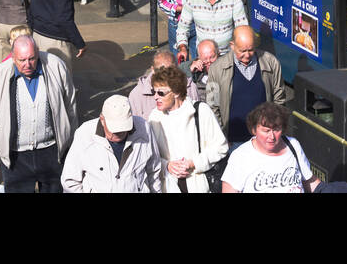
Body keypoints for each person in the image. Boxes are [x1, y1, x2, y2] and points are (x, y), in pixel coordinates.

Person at [0, 34, 77, 193]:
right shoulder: (0, 75)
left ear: (38, 52)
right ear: (13, 57)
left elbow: (70, 108)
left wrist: (73, 146)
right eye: (22, 60)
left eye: (32, 58)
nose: (27, 64)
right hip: (16, 157)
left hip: (51, 152)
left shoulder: (56, 66)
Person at [146, 64, 228, 193]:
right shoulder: (154, 117)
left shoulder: (200, 111)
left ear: (177, 93)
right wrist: (166, 165)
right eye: (153, 91)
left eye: (161, 92)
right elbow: (149, 156)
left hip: (199, 186)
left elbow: (221, 148)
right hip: (169, 187)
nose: (155, 96)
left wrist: (194, 163)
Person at [207, 24, 292, 146]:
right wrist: (221, 137)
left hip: (264, 140)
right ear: (232, 46)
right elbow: (212, 106)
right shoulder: (216, 69)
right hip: (232, 140)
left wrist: (274, 131)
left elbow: (279, 99)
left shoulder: (271, 63)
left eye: (251, 50)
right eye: (242, 51)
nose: (247, 55)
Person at [61, 94, 162, 193]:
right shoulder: (84, 134)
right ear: (102, 120)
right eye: (115, 130)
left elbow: (154, 171)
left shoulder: (144, 128)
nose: (119, 134)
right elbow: (70, 181)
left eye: (124, 128)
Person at [220, 102, 320, 193]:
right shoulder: (241, 156)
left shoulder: (293, 145)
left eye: (276, 130)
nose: (271, 137)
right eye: (266, 131)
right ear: (254, 130)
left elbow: (309, 181)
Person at [175, 0, 248, 63]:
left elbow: (242, 27)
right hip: (204, 59)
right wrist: (182, 48)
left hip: (227, 57)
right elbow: (182, 29)